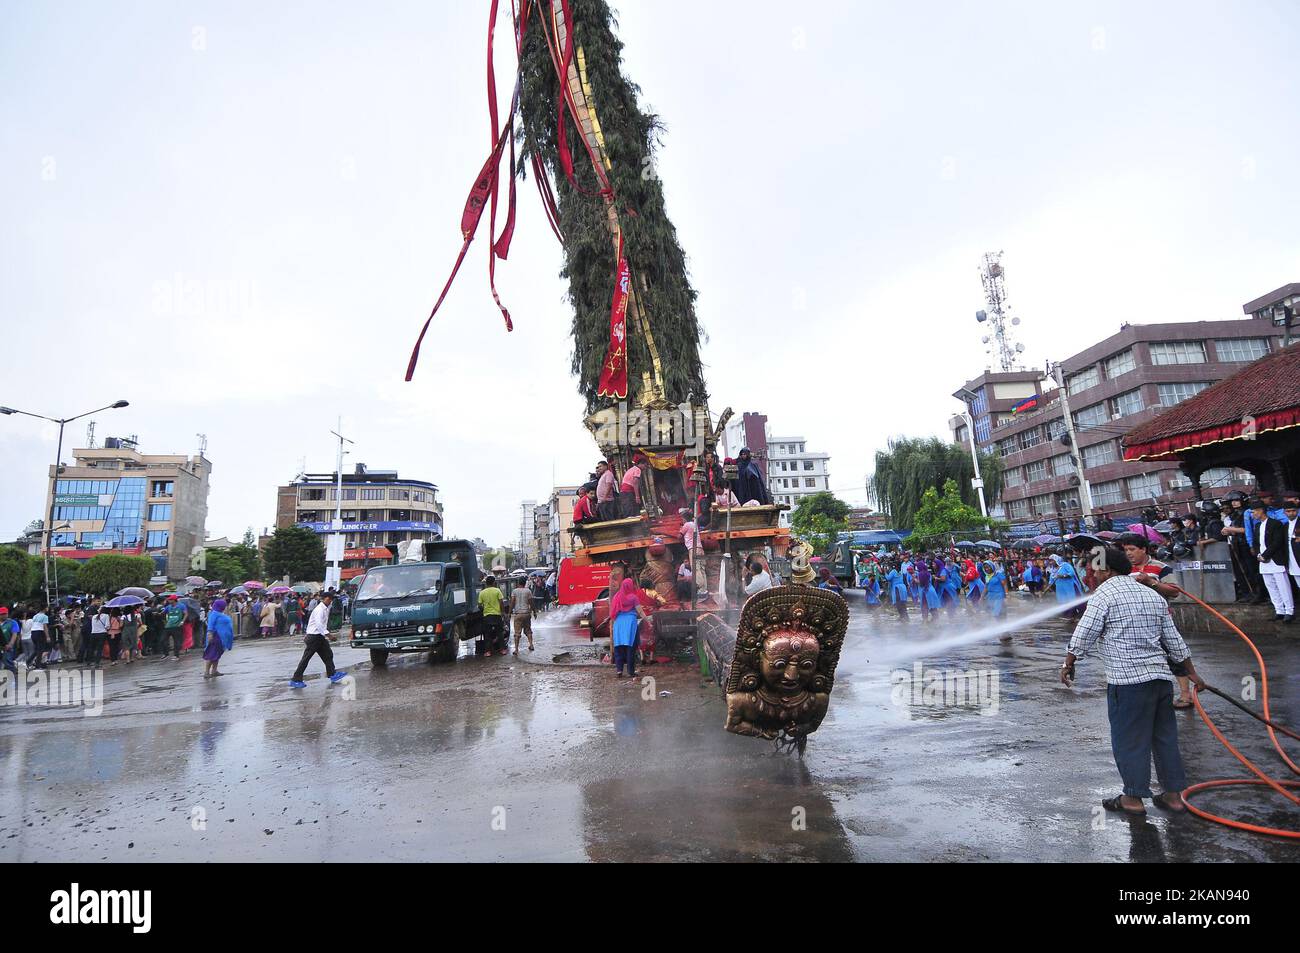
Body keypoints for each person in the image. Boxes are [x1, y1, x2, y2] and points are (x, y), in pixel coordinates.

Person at [1061, 546, 1204, 816]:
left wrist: (1069, 662)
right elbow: (1174, 641)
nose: (1092, 575)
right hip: (1160, 681)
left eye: (1094, 570)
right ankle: (1173, 796)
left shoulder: (1104, 595)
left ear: (1106, 570)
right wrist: (1193, 674)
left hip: (1128, 684)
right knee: (1164, 738)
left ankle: (1133, 798)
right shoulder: (1151, 595)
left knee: (1129, 740)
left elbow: (1085, 632)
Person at [1250, 498, 1294, 622]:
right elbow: (1256, 542)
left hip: (1274, 558)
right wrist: (1259, 554)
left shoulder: (1275, 524)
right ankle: (1279, 610)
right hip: (1263, 560)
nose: (1253, 514)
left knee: (1283, 585)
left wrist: (1265, 555)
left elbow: (1277, 542)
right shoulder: (1258, 526)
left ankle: (1289, 610)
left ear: (1260, 511)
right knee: (1271, 586)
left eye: (1254, 512)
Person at [289, 593, 346, 687]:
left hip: (319, 636)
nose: (331, 602)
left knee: (328, 654)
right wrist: (329, 635)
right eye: (330, 599)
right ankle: (295, 679)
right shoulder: (320, 609)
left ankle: (332, 674)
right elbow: (319, 624)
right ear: (326, 599)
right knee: (306, 659)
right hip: (314, 637)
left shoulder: (325, 608)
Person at [609, 577, 645, 678]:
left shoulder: (616, 596)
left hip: (619, 624)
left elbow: (613, 611)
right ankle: (630, 671)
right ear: (630, 586)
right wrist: (647, 621)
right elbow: (640, 612)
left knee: (619, 647)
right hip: (630, 625)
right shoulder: (633, 597)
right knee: (630, 648)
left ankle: (619, 670)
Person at [203, 599, 235, 678]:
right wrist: (210, 633)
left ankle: (214, 670)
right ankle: (206, 672)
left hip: (222, 638)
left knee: (217, 654)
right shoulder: (214, 614)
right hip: (215, 636)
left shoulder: (220, 613)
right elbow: (210, 624)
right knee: (211, 654)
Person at [477, 574, 507, 656]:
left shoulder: (482, 593)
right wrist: (503, 613)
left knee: (487, 634)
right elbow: (501, 603)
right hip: (497, 615)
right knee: (500, 633)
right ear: (494, 583)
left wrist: (483, 609)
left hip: (487, 615)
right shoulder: (497, 591)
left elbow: (479, 605)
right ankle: (503, 650)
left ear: (486, 583)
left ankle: (487, 652)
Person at [510, 578, 534, 655]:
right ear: (525, 583)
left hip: (518, 614)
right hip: (526, 613)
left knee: (517, 633)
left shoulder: (514, 591)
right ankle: (531, 645)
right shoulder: (528, 591)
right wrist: (534, 611)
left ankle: (516, 650)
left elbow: (512, 602)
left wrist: (509, 612)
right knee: (528, 630)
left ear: (518, 583)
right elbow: (531, 602)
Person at [27, 604, 50, 669]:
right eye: (47, 607)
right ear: (45, 608)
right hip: (40, 632)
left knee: (37, 650)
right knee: (40, 650)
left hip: (33, 633)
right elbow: (45, 627)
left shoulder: (35, 616)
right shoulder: (45, 616)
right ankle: (38, 665)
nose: (48, 609)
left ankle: (28, 662)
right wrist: (47, 636)